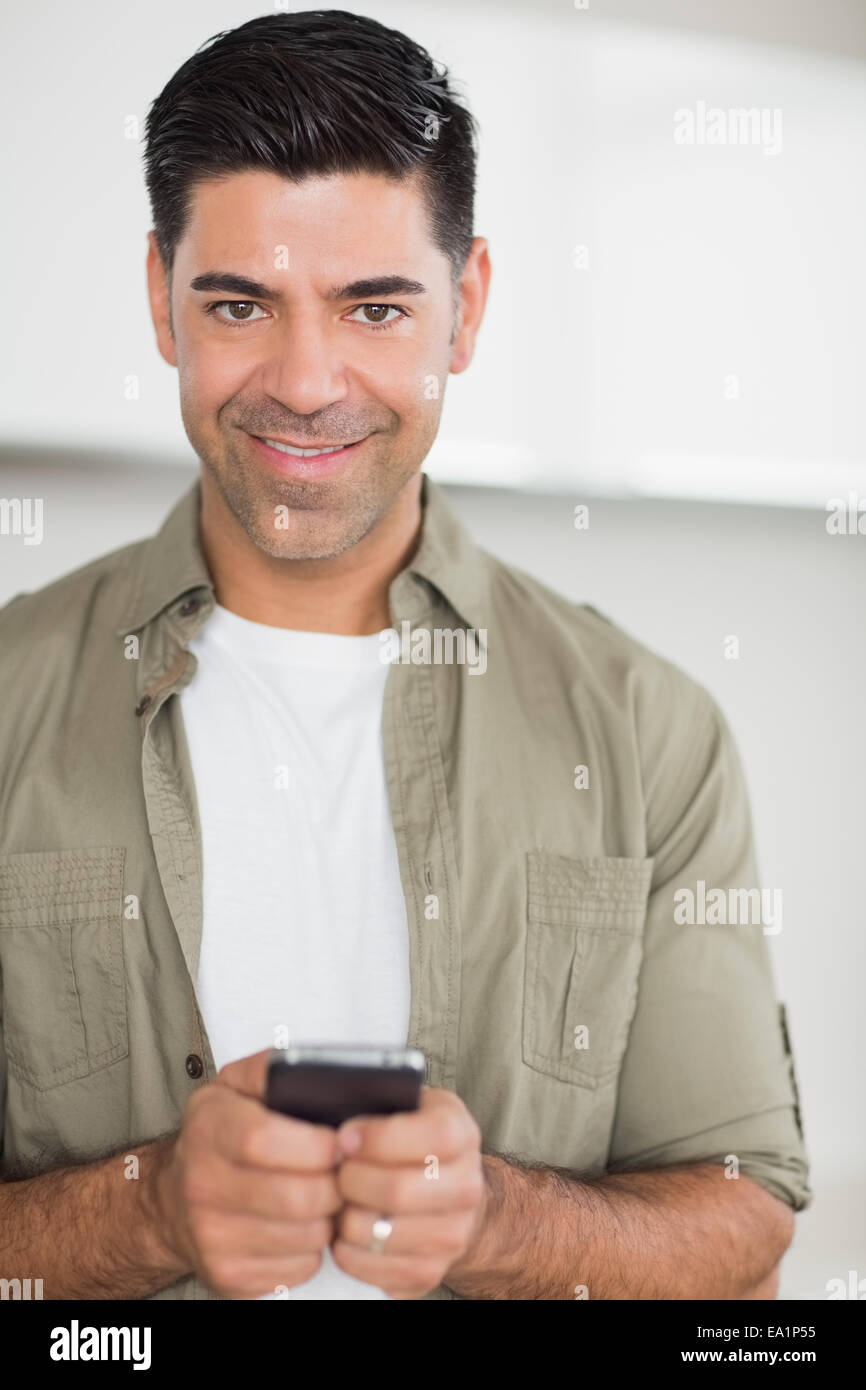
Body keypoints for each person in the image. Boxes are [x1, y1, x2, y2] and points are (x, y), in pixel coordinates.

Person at [0, 10, 810, 1301]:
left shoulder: (649, 727)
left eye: (374, 306)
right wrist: (146, 1207)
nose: (308, 380)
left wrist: (493, 1219)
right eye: (238, 302)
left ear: (465, 305)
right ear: (161, 299)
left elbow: (738, 1217)